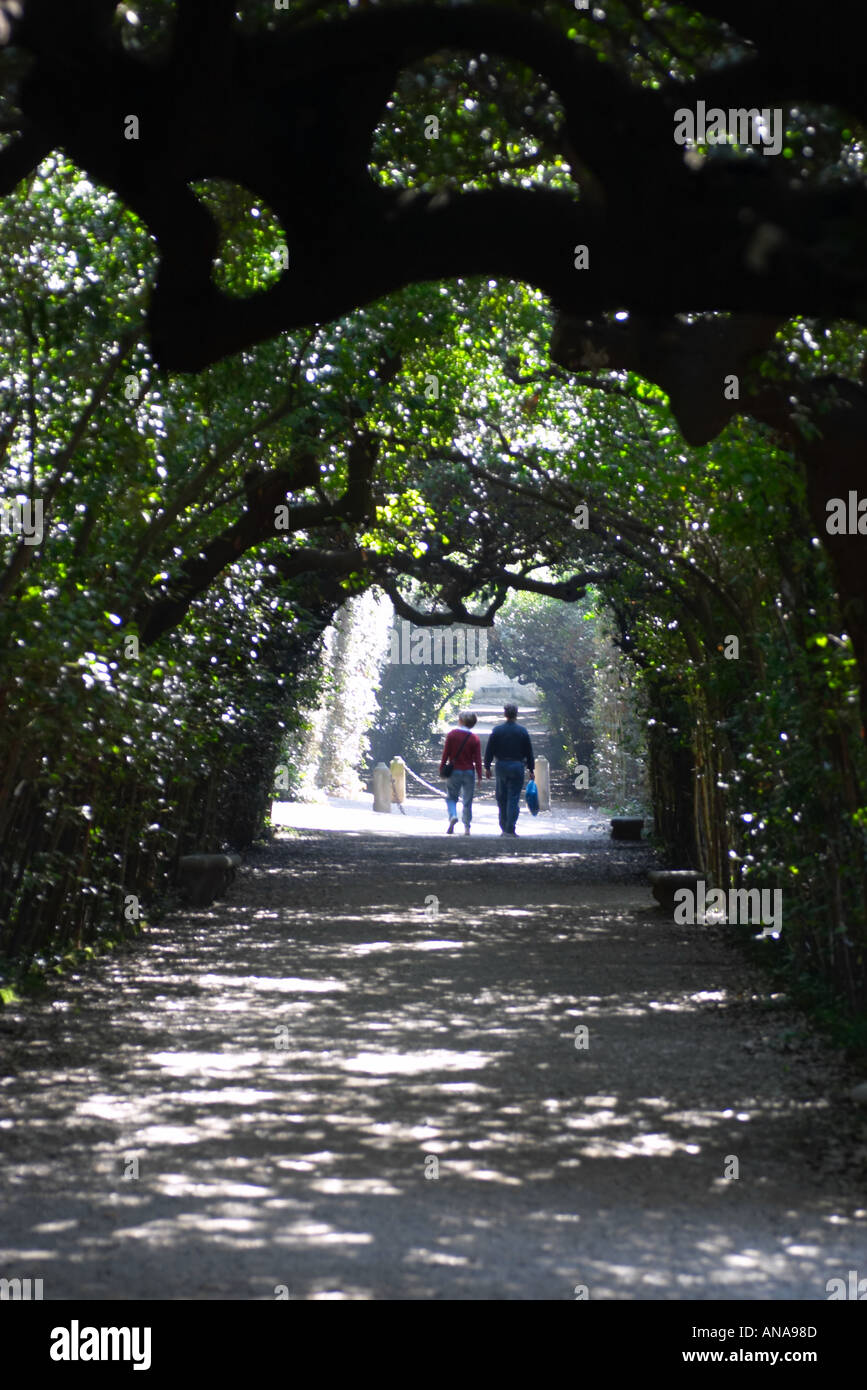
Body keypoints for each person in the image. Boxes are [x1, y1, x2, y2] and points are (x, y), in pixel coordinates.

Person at [484, 703, 534, 836]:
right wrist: (531, 769)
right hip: (517, 766)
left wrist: (487, 767)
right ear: (516, 714)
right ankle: (510, 827)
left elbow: (489, 750)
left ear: (505, 714)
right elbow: (529, 752)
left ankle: (503, 824)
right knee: (513, 797)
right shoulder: (522, 731)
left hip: (501, 766)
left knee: (501, 797)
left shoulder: (497, 730)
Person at [439, 711, 482, 835]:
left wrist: (442, 768)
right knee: (467, 801)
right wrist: (479, 775)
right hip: (469, 771)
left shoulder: (452, 735)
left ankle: (453, 816)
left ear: (461, 721)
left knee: (451, 797)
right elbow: (477, 759)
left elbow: (445, 753)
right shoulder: (474, 738)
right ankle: (467, 827)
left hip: (454, 771)